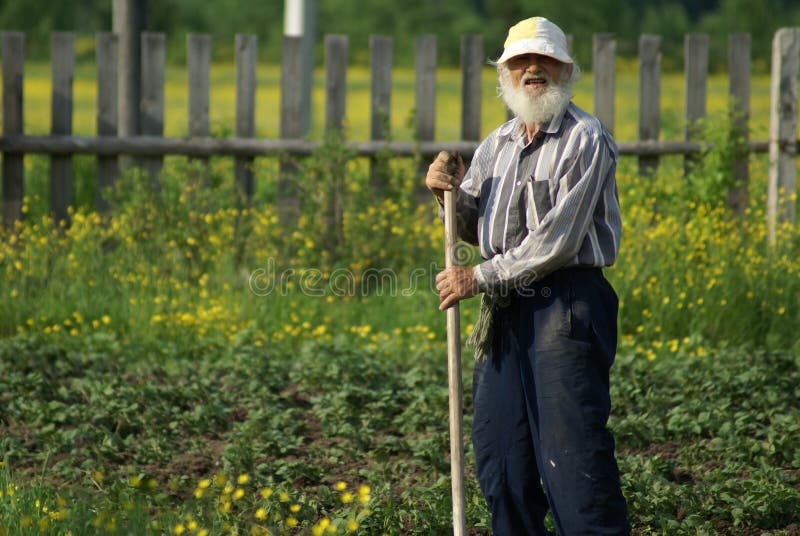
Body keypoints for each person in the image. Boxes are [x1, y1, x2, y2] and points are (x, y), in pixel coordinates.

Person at [426, 16, 630, 535]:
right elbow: (474, 227)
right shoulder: (497, 144)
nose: (532, 69)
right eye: (520, 62)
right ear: (505, 74)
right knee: (503, 464)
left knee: (573, 464)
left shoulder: (587, 138)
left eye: (544, 61)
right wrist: (445, 193)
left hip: (565, 306)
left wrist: (478, 278)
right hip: (506, 311)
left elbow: (557, 242)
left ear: (565, 70)